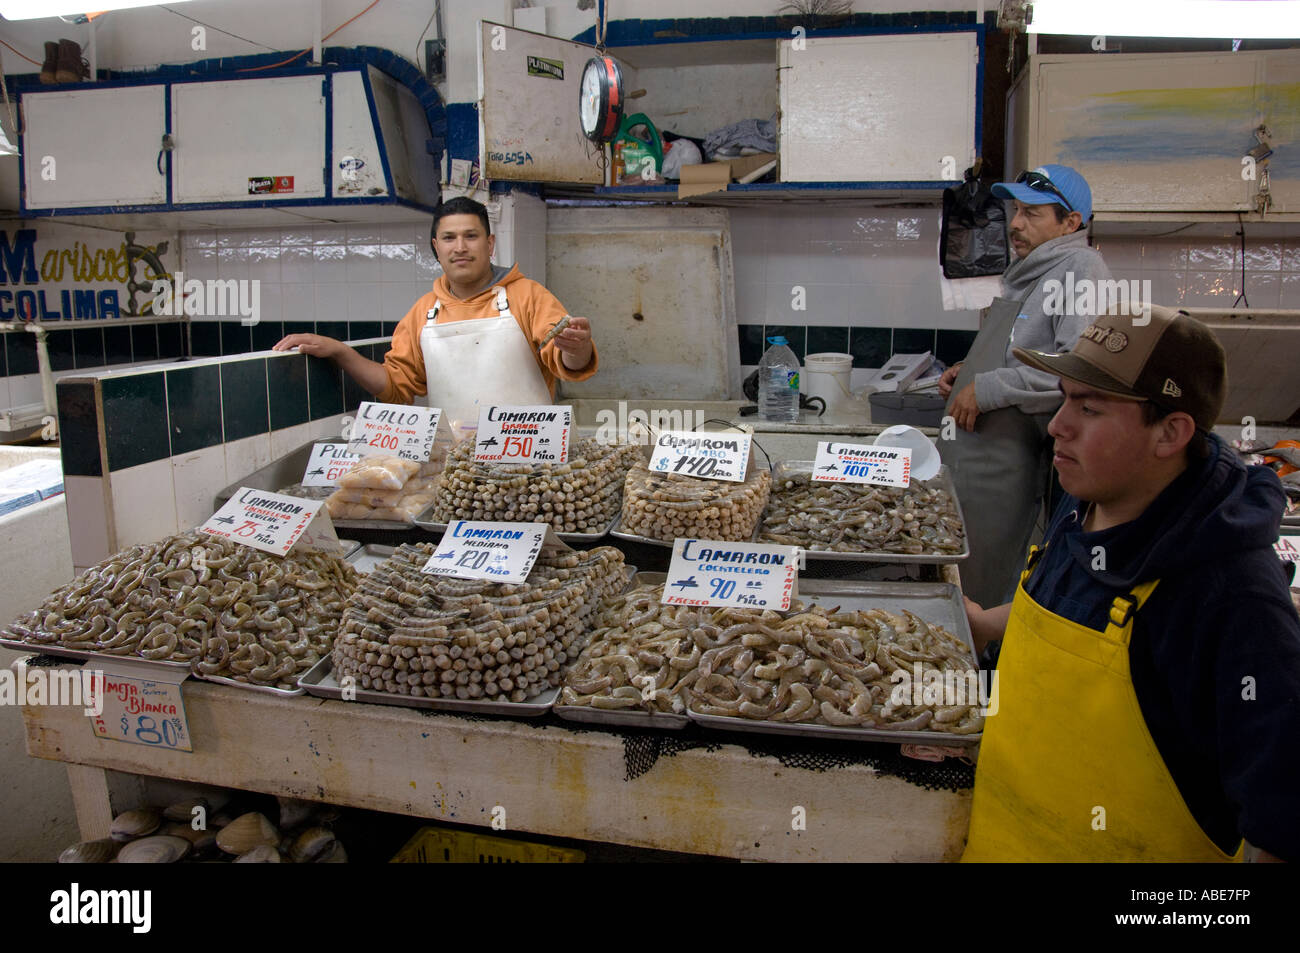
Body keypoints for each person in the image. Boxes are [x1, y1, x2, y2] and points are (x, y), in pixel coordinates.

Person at [961, 305, 1300, 863]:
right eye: (1064, 397)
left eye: (1089, 408)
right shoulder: (1090, 497)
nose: (1057, 425)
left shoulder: (1233, 597)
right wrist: (980, 626)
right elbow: (1069, 602)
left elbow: (1283, 824)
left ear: (1171, 432)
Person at [938, 165, 1111, 609]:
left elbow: (1077, 369)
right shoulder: (1034, 272)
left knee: (986, 591)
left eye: (1032, 214)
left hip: (1010, 471)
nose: (1015, 223)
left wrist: (988, 387)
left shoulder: (1082, 268)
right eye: (1016, 210)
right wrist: (969, 371)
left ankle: (985, 673)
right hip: (975, 469)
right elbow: (1024, 351)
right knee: (960, 580)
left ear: (1070, 223)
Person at [274, 196, 597, 425]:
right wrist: (341, 353)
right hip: (455, 469)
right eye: (449, 238)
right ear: (436, 247)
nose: (460, 247)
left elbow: (568, 362)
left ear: (489, 243)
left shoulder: (528, 296)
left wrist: (577, 349)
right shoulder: (423, 312)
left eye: (471, 236)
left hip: (530, 457)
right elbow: (397, 387)